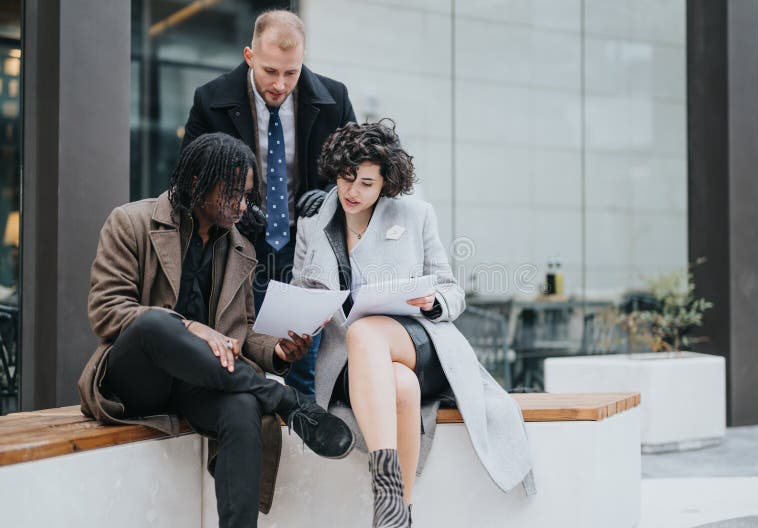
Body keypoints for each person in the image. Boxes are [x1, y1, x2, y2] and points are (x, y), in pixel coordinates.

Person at [77, 133, 354, 528]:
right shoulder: (130, 222)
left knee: (243, 409)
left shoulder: (241, 247)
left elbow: (241, 331)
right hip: (137, 380)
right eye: (231, 195)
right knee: (155, 323)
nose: (242, 206)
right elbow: (107, 312)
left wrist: (278, 351)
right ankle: (283, 399)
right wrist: (190, 326)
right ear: (196, 182)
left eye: (246, 195)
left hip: (203, 383)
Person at [292, 121, 536, 527]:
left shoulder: (416, 215)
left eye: (366, 183)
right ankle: (398, 512)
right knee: (399, 387)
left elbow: (452, 291)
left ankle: (382, 487)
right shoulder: (311, 227)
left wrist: (434, 302)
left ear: (386, 183)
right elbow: (305, 294)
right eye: (346, 178)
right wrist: (305, 318)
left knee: (366, 331)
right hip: (357, 365)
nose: (353, 191)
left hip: (420, 345)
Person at [181, 9, 357, 394]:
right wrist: (230, 204)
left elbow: (356, 174)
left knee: (302, 360)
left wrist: (329, 197)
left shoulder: (334, 98)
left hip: (306, 249)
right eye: (269, 71)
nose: (280, 84)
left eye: (291, 72)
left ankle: (300, 438)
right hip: (238, 246)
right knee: (242, 355)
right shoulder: (210, 101)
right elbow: (187, 179)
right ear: (249, 56)